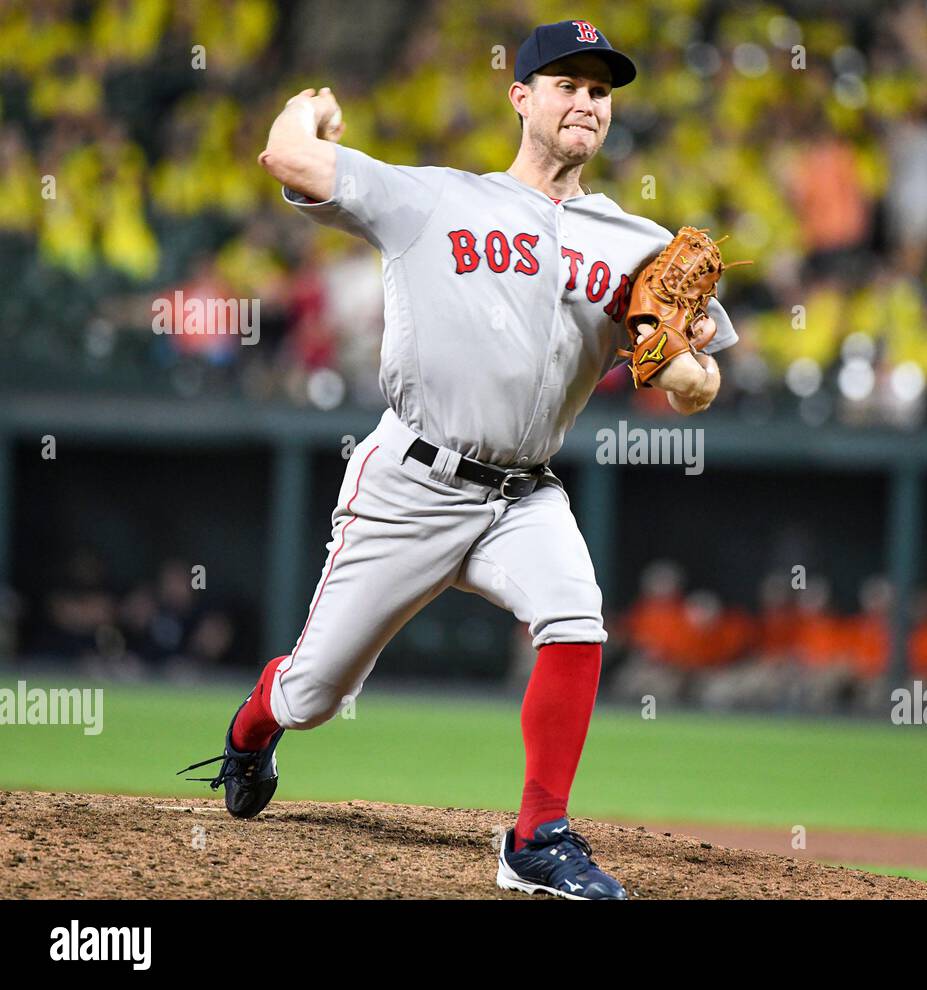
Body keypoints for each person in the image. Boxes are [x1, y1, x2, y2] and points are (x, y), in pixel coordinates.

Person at [180, 20, 739, 901]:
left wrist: (682, 364)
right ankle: (253, 733)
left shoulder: (639, 245)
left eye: (601, 90)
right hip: (410, 481)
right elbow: (287, 159)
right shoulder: (434, 200)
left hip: (524, 494)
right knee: (316, 692)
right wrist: (307, 106)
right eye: (568, 84)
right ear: (521, 97)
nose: (588, 102)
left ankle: (537, 838)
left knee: (577, 616)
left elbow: (698, 386)